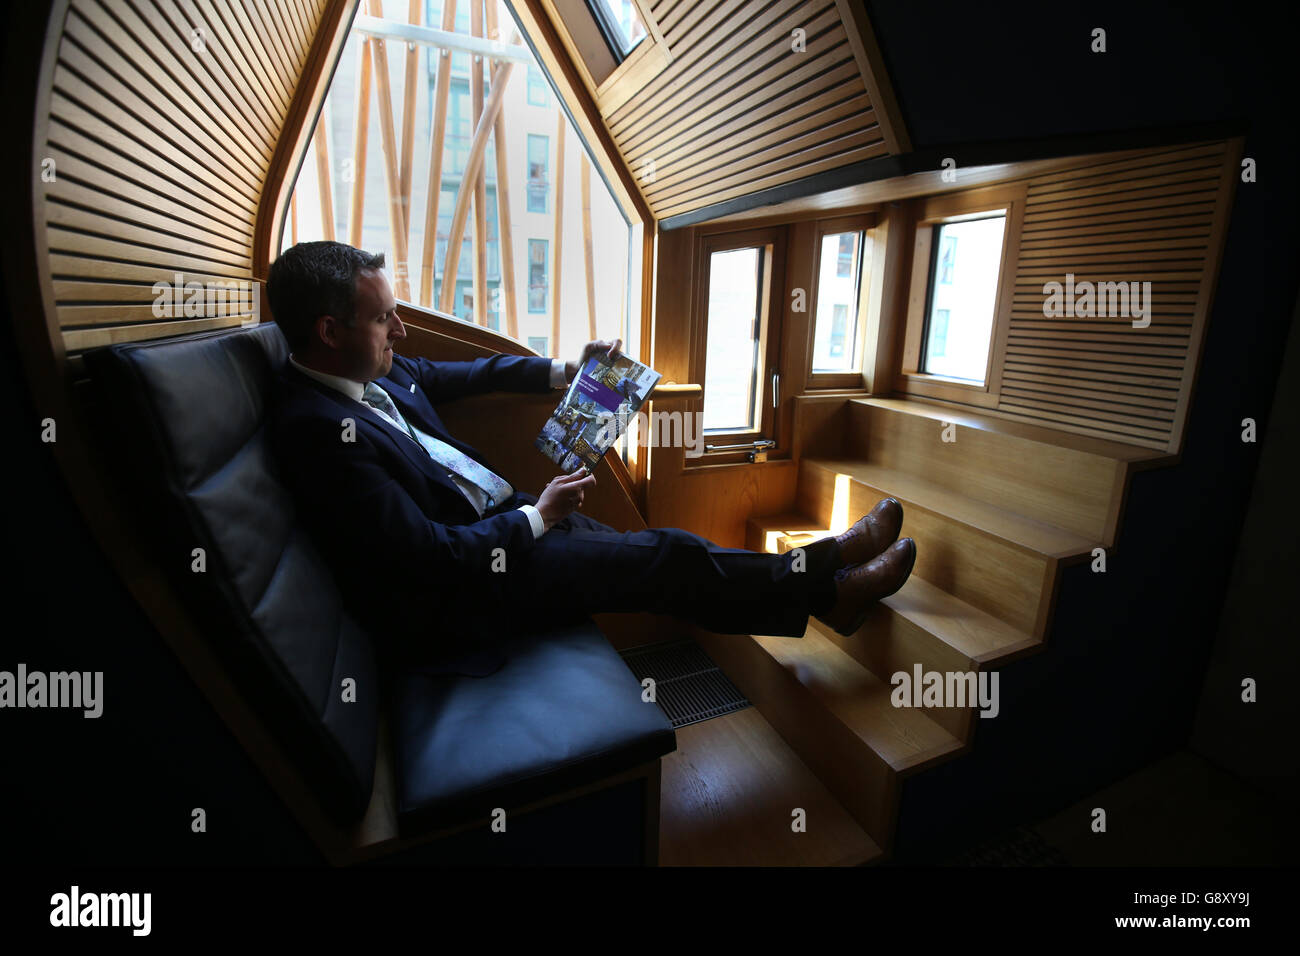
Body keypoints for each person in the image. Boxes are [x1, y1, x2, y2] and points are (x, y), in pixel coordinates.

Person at [266, 241, 917, 677]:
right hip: (470, 589)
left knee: (662, 562)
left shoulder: (373, 370)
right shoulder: (320, 434)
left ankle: (826, 596)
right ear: (329, 332)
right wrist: (539, 519)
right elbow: (428, 559)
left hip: (511, 521)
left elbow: (463, 374)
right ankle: (829, 572)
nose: (400, 333)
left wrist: (565, 370)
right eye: (384, 320)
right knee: (668, 557)